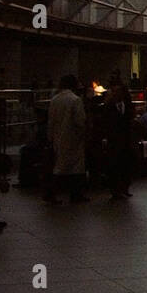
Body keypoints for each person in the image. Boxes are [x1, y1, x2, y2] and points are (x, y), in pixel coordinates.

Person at [47, 75, 89, 203]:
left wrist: (50, 137)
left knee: (60, 165)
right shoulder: (75, 100)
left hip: (58, 136)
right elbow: (80, 121)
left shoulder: (55, 99)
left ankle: (51, 192)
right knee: (75, 167)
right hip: (73, 137)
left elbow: (51, 120)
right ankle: (75, 194)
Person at [100, 82, 134, 198]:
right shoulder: (108, 107)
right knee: (114, 165)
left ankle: (125, 187)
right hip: (114, 140)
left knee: (126, 164)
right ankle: (115, 190)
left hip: (126, 139)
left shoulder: (128, 106)